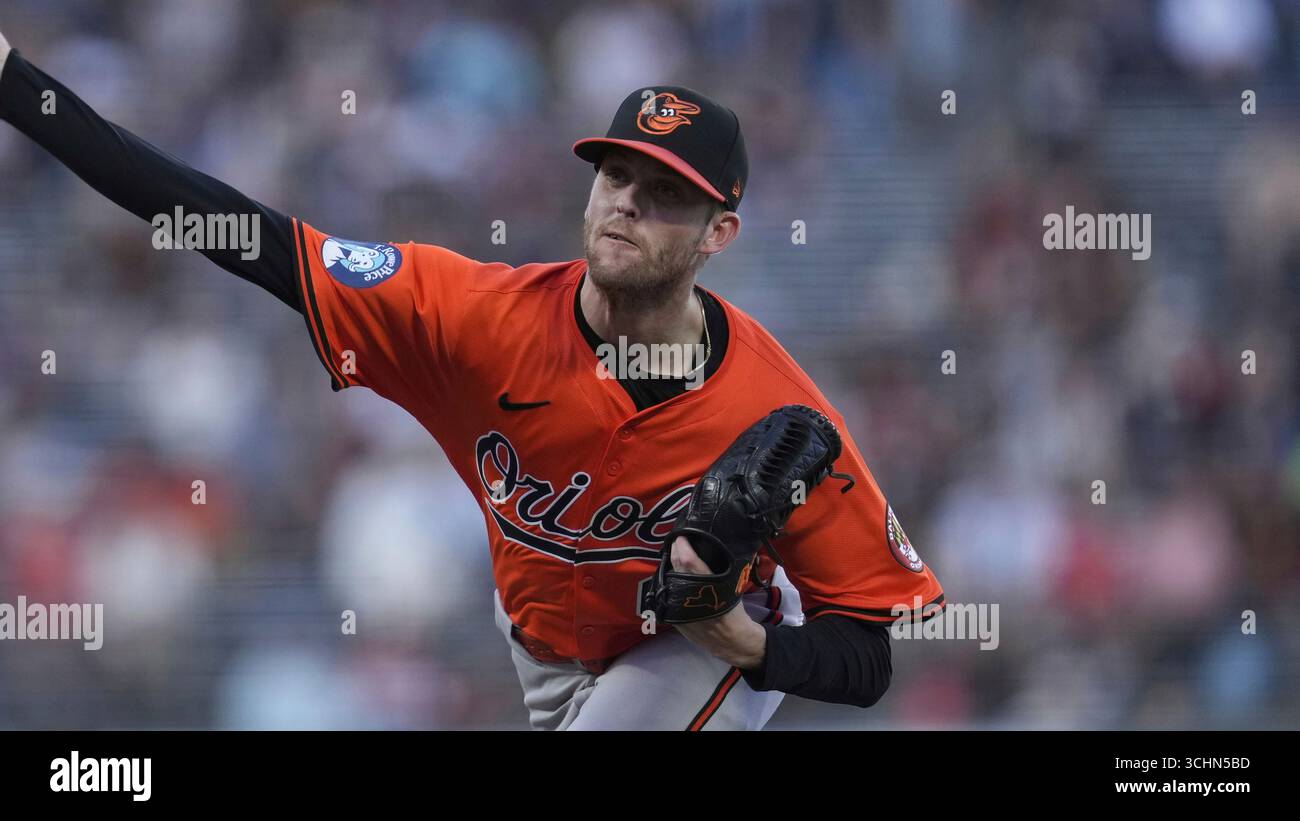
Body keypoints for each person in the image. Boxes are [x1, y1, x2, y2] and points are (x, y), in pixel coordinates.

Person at [0, 31, 945, 730]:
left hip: (696, 645)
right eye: (615, 174)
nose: (625, 203)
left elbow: (867, 656)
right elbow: (242, 233)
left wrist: (752, 645)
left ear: (718, 234)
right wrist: (16, 86)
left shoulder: (776, 409)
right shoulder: (474, 318)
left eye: (665, 195)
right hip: (542, 641)